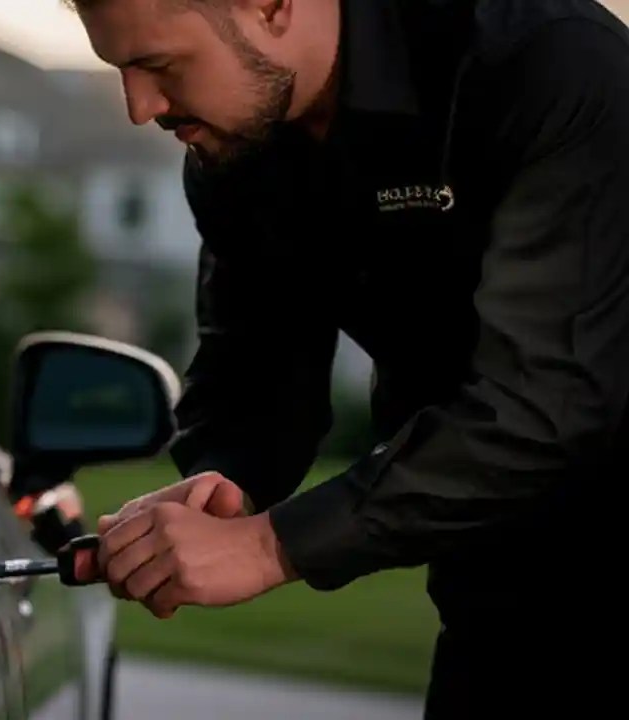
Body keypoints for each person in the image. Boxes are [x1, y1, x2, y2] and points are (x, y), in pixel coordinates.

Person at [64, 0, 627, 715]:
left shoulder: (548, 66)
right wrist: (223, 485)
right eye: (120, 69)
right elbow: (253, 371)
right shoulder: (236, 149)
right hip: (496, 601)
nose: (139, 107)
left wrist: (269, 549)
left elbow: (546, 401)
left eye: (159, 65)